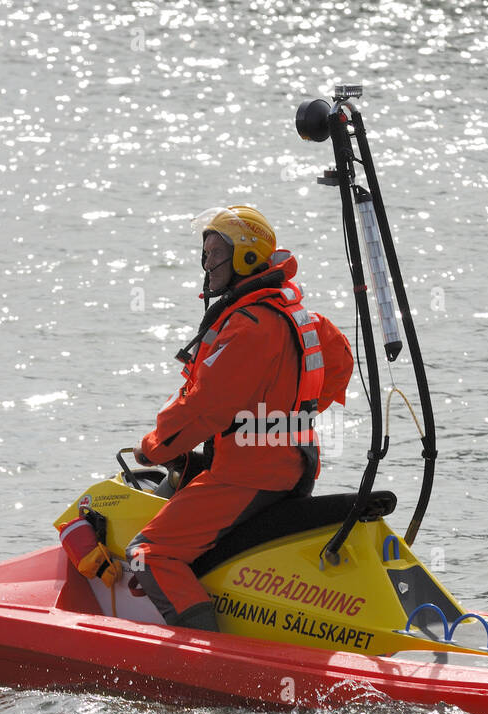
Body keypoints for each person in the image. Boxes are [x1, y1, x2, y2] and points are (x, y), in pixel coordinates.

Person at [126, 205, 353, 631]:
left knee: (149, 553)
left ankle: (204, 656)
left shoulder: (248, 328)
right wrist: (282, 418)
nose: (205, 264)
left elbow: (203, 407)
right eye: (205, 253)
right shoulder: (306, 319)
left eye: (214, 253)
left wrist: (155, 447)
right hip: (293, 467)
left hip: (248, 475)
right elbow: (339, 365)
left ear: (245, 257)